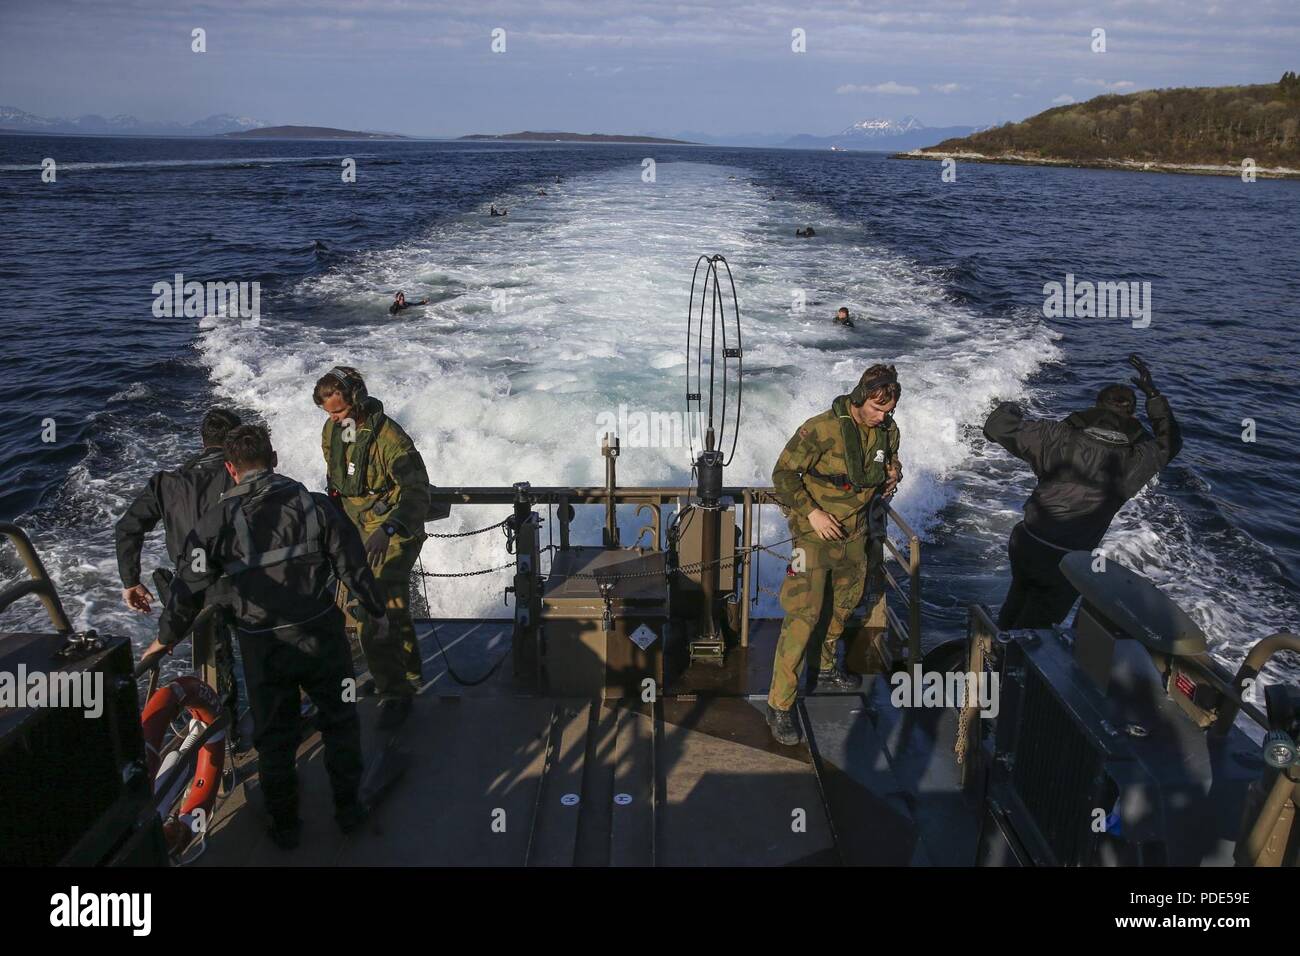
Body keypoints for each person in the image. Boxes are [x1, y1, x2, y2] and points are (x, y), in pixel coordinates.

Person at [148, 424, 387, 849]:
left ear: (230, 469)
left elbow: (189, 585)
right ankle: (348, 810)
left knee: (275, 738)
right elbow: (354, 566)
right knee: (341, 722)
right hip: (323, 639)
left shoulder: (216, 520)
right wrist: (375, 611)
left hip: (264, 647)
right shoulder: (316, 506)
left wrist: (166, 637)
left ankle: (285, 825)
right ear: (274, 459)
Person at [984, 354, 1182, 630]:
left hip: (1026, 543)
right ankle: (1008, 662)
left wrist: (1012, 406)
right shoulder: (1137, 459)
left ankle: (993, 653)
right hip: (1068, 562)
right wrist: (1154, 396)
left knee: (1017, 599)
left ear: (1096, 407)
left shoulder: (1055, 435)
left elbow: (996, 425)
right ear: (1131, 416)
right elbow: (1170, 442)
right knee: (1035, 631)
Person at [766, 364, 903, 746]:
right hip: (811, 535)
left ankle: (824, 666)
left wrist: (893, 474)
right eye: (876, 409)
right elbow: (783, 475)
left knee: (844, 604)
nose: (882, 418)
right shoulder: (821, 429)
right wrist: (813, 512)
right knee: (802, 614)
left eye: (887, 411)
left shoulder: (888, 431)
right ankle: (780, 703)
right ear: (860, 397)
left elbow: (891, 462)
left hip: (855, 531)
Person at [314, 366, 431, 729]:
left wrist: (389, 527)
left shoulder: (391, 439)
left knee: (374, 606)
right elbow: (337, 481)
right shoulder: (332, 431)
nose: (335, 419)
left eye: (340, 411)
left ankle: (394, 692)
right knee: (391, 606)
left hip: (394, 526)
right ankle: (409, 674)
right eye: (329, 413)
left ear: (358, 400)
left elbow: (417, 493)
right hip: (354, 524)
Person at [115, 407, 242, 728]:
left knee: (214, 661)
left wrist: (131, 580)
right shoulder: (243, 477)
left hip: (193, 594)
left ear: (203, 442)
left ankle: (225, 736)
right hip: (245, 584)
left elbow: (127, 528)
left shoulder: (166, 484)